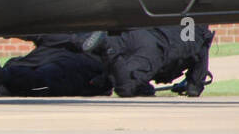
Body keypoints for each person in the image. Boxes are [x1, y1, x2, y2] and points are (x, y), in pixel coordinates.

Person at [82, 25, 214, 97]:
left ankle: (104, 73)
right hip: (153, 48)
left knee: (118, 70)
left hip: (137, 32)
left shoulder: (181, 16)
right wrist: (194, 85)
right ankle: (107, 48)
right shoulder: (199, 34)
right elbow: (194, 88)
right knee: (126, 88)